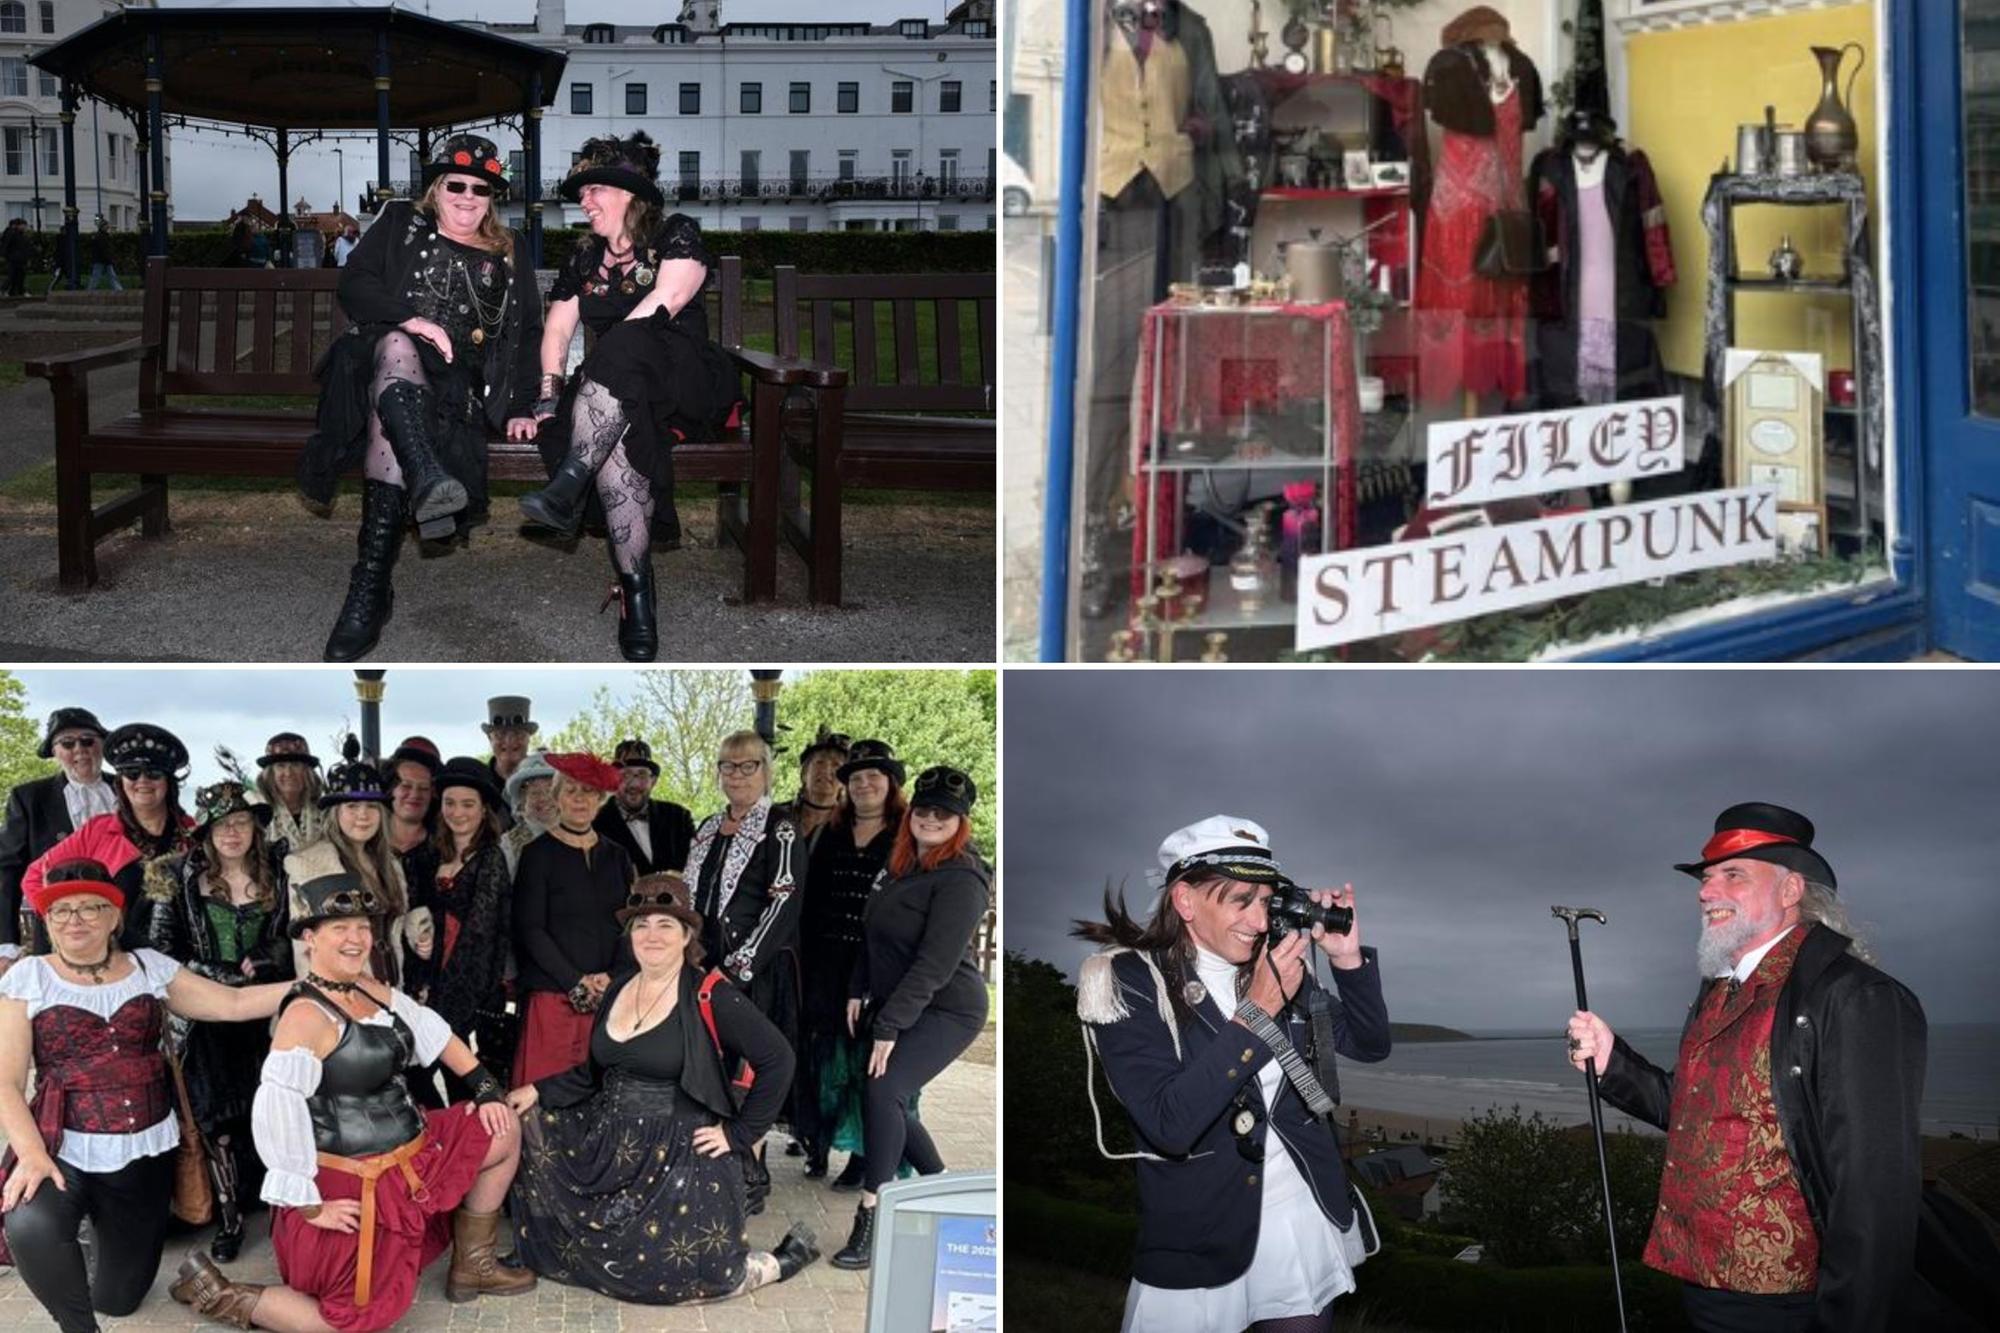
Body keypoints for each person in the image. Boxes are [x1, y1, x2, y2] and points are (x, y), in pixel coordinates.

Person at [1565, 802, 1927, 1333]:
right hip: (1703, 1278)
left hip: (1788, 1302)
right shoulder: (1719, 989)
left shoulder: (1855, 998)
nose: (1706, 893)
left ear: (1790, 891)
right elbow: (1695, 1111)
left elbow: (1874, 1191)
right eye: (1707, 879)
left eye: (1733, 875)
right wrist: (1611, 1061)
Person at [168, 869, 535, 1329]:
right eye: (339, 928)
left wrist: (486, 1090)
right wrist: (309, 1205)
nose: (356, 938)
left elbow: (436, 1035)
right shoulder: (305, 1014)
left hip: (414, 1156)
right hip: (353, 1181)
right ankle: (215, 1291)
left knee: (502, 1131)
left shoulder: (373, 990)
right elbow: (275, 1111)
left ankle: (472, 1266)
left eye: (364, 927)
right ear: (309, 939)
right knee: (351, 1323)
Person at [1072, 815, 1389, 1331]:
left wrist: (1348, 960)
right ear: (1185, 900)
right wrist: (1258, 1012)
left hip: (1297, 1218)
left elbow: (1371, 1045)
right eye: (1240, 900)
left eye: (1265, 901)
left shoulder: (1280, 965)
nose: (1260, 921)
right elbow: (1169, 1125)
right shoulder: (1127, 980)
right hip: (1200, 1231)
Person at [0, 859, 292, 1333]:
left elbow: (232, 1004)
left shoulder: (146, 967)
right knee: (29, 1220)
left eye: (90, 908)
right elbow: (6, 1082)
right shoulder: (28, 977)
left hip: (143, 1149)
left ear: (115, 917)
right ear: (47, 922)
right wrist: (31, 1154)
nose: (75, 919)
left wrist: (313, 986)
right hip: (63, 1145)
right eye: (61, 910)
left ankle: (94, 1242)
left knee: (119, 1299)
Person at [506, 874, 820, 1301]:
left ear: (687, 934)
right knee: (526, 1124)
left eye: (665, 925)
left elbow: (779, 1059)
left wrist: (740, 1134)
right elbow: (594, 1072)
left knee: (672, 1278)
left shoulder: (710, 994)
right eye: (641, 925)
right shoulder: (618, 987)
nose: (651, 935)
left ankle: (781, 1261)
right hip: (609, 1139)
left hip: (677, 1153)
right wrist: (539, 1090)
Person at [304, 135, 543, 662]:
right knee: (395, 348)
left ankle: (370, 590)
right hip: (378, 365)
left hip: (454, 388)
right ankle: (425, 481)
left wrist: (525, 404)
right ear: (437, 187)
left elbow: (526, 332)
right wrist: (411, 320)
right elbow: (355, 284)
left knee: (390, 425)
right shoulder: (398, 223)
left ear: (491, 198)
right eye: (456, 184)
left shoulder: (510, 249)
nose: (467, 196)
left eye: (480, 189)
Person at [516, 132, 739, 661]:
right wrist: (548, 398)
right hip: (617, 398)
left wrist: (596, 372)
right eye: (582, 194)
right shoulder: (585, 258)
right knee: (614, 438)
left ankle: (569, 484)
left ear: (629, 194)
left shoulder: (676, 235)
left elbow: (666, 300)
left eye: (594, 191)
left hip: (679, 377)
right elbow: (556, 331)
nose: (584, 202)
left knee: (627, 349)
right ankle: (637, 594)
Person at [830, 765, 992, 1269]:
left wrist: (888, 1026)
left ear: (961, 821)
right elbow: (871, 933)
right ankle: (945, 1189)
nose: (931, 818)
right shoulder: (900, 864)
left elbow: (934, 964)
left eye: (944, 813)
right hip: (901, 999)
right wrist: (858, 987)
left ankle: (873, 1213)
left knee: (884, 1089)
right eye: (923, 809)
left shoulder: (963, 877)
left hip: (949, 1006)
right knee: (888, 1094)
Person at [146, 775, 294, 1263]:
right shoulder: (179, 877)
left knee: (272, 1109)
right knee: (219, 1120)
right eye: (221, 825)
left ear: (254, 827)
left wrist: (271, 955)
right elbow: (161, 953)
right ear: (206, 833)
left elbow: (297, 933)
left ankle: (280, 1209)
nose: (232, 833)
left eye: (240, 823)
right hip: (206, 1017)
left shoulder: (281, 873)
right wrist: (218, 974)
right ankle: (229, 1218)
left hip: (268, 1014)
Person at [685, 729, 806, 1210]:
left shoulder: (781, 828)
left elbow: (783, 902)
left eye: (748, 765)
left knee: (752, 1068)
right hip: (704, 965)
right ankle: (719, 1159)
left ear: (766, 771)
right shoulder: (708, 826)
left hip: (755, 968)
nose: (737, 775)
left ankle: (751, 1170)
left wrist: (739, 967)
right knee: (713, 1065)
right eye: (728, 766)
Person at [800, 738, 902, 1185]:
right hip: (826, 961)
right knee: (825, 1057)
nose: (863, 785)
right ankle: (819, 1144)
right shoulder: (832, 833)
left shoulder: (906, 834)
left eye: (872, 777)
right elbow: (812, 899)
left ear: (891, 783)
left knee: (867, 1062)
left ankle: (865, 1157)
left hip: (877, 966)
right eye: (855, 778)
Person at [511, 752, 634, 1087]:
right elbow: (530, 929)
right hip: (555, 996)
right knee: (546, 1099)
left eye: (589, 791)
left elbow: (630, 924)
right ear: (557, 798)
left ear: (601, 799)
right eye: (571, 791)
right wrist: (574, 982)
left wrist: (612, 977)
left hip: (609, 996)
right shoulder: (537, 855)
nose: (580, 799)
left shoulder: (618, 856)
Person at [24, 722, 196, 951]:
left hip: (179, 960)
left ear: (169, 782)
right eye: (132, 774)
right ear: (121, 782)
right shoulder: (98, 831)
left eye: (154, 773)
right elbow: (35, 876)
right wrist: (63, 924)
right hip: (109, 962)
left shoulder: (194, 834)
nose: (142, 781)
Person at [410, 758, 516, 1103]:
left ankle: (473, 1152)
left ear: (484, 810)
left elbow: (480, 937)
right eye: (450, 803)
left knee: (465, 1083)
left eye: (468, 804)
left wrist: (444, 1000)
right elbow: (418, 913)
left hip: (469, 989)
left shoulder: (490, 859)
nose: (458, 812)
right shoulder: (429, 854)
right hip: (429, 982)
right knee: (417, 1078)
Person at [284, 738, 422, 989]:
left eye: (372, 806)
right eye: (352, 806)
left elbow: (391, 931)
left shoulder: (389, 864)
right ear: (335, 813)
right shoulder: (307, 865)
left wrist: (416, 927)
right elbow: (307, 950)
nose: (363, 815)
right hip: (339, 998)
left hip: (389, 992)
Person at [0, 707, 114, 968]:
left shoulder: (130, 788)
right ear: (54, 751)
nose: (80, 749)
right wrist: (6, 941)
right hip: (58, 928)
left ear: (102, 745)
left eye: (88, 740)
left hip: (127, 924)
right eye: (67, 743)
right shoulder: (29, 798)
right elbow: (7, 869)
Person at [593, 737, 695, 876]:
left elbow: (695, 869)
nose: (634, 784)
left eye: (641, 774)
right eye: (625, 775)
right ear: (613, 780)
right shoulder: (594, 823)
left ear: (653, 781)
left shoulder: (679, 817)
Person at [254, 732, 326, 858]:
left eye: (296, 765)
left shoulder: (325, 812)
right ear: (270, 774)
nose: (288, 773)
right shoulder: (256, 812)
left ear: (307, 772)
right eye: (281, 766)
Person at [786, 728, 851, 845]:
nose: (826, 771)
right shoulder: (778, 815)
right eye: (819, 762)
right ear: (805, 773)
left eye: (836, 765)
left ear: (844, 781)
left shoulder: (852, 825)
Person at [499, 750, 558, 876]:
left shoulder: (583, 835)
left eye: (550, 790)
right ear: (522, 801)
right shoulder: (507, 846)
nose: (543, 798)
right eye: (534, 793)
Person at [481, 696, 537, 787]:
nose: (509, 741)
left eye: (518, 733)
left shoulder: (542, 780)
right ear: (490, 738)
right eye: (500, 734)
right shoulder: (479, 783)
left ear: (529, 737)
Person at [84, 217, 120, 292]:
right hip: (101, 259)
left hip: (101, 259)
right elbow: (103, 249)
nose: (108, 227)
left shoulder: (100, 235)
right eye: (106, 225)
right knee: (100, 275)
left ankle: (117, 289)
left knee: (105, 275)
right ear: (102, 227)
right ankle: (117, 289)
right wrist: (110, 258)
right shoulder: (101, 236)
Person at [2, 217, 33, 298]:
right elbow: (7, 246)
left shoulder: (22, 236)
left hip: (20, 259)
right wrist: (7, 256)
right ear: (19, 226)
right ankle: (5, 290)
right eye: (24, 226)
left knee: (19, 276)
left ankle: (17, 291)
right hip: (14, 259)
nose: (25, 228)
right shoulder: (12, 234)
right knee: (12, 276)